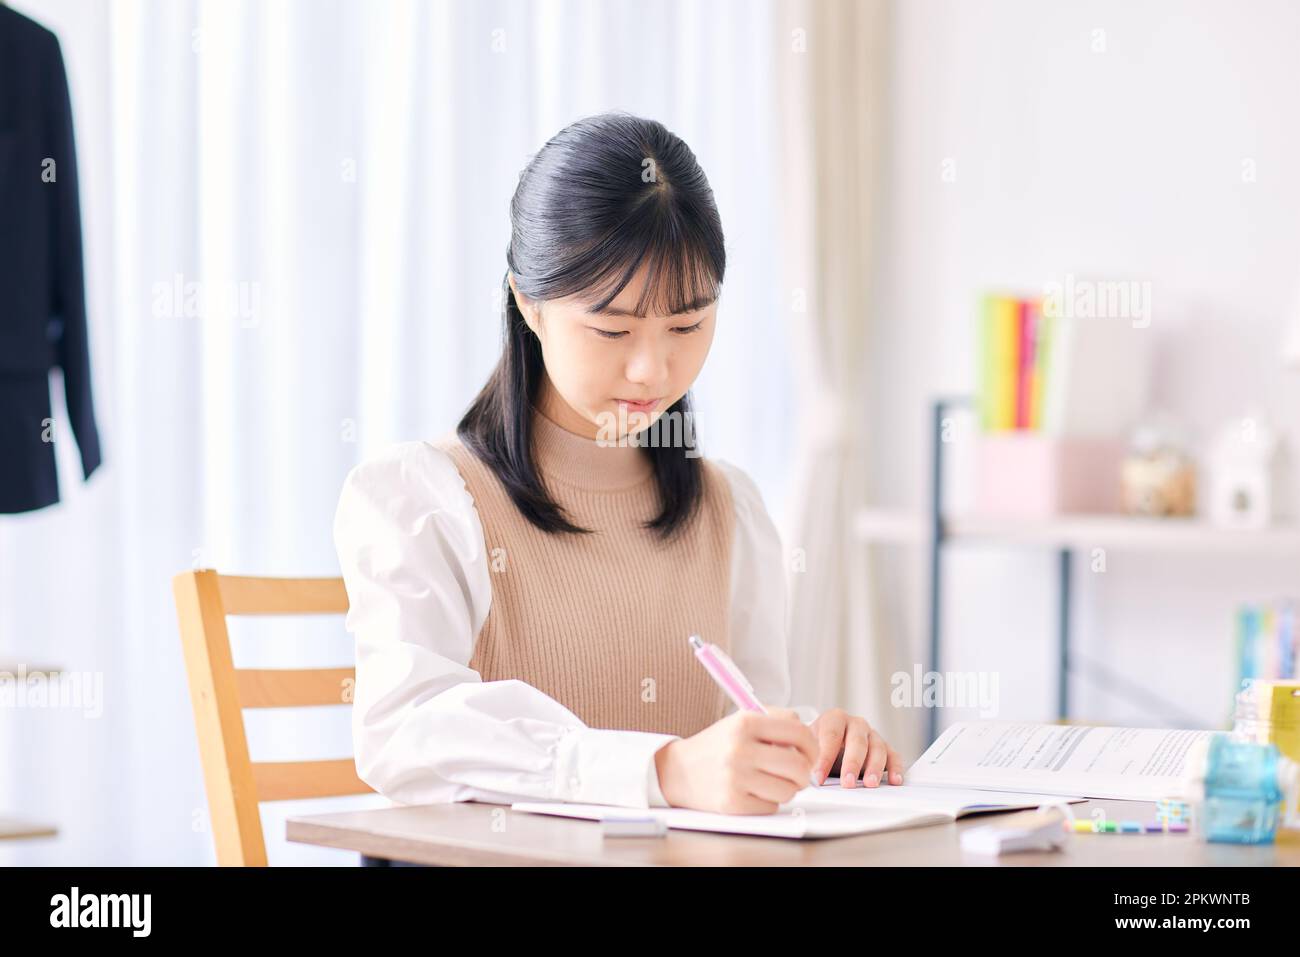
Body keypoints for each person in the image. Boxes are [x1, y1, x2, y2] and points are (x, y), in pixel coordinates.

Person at [334, 112, 903, 833]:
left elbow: (743, 731)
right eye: (612, 329)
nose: (652, 369)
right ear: (527, 303)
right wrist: (660, 771)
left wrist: (812, 748)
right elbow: (405, 732)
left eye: (687, 326)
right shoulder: (422, 500)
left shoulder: (730, 510)